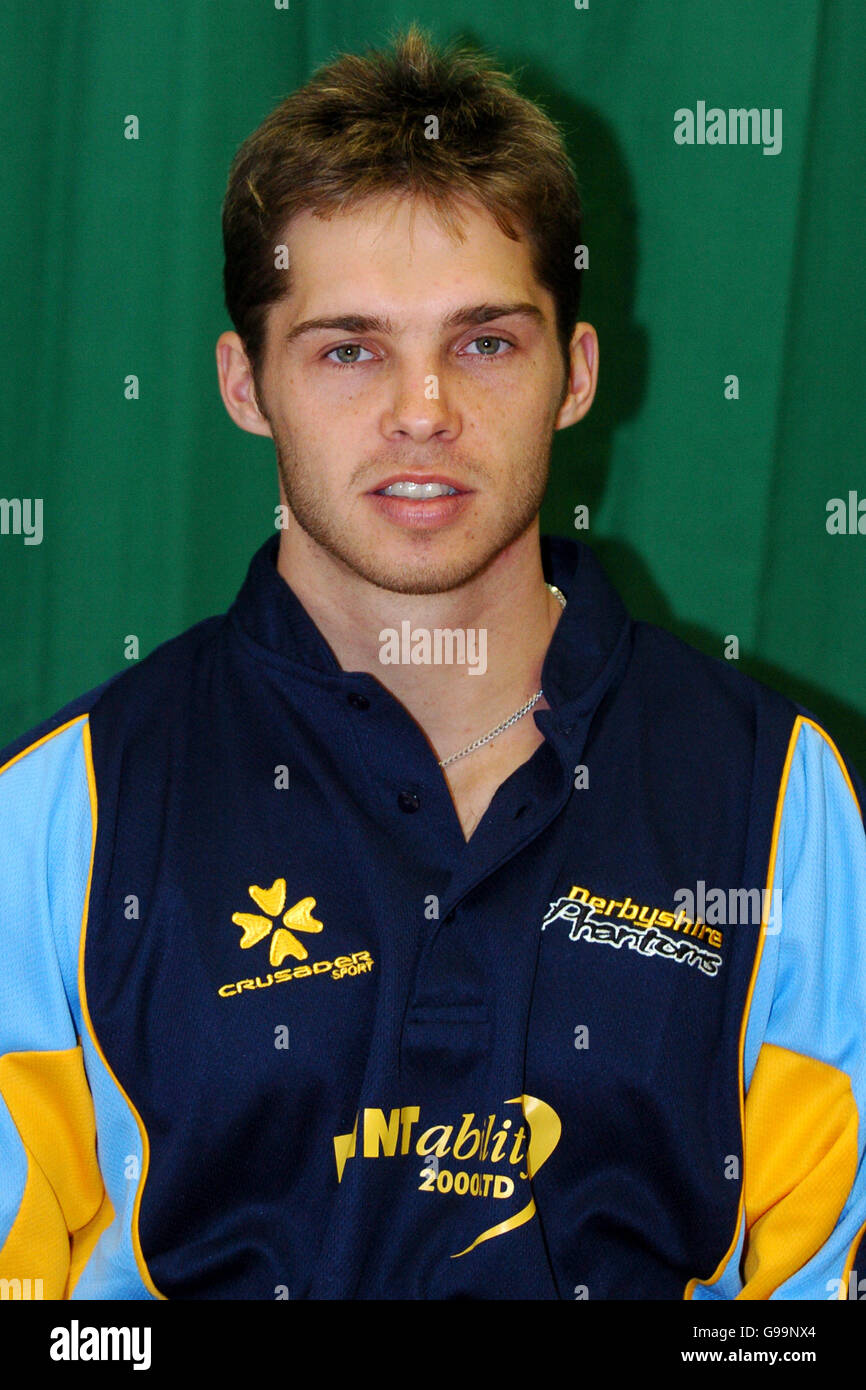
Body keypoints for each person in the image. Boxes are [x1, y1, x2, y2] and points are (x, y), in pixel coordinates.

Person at [1, 24, 864, 1302]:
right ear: (247, 384)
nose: (423, 410)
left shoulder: (777, 796)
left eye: (484, 342)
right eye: (349, 348)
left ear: (573, 373)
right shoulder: (62, 808)